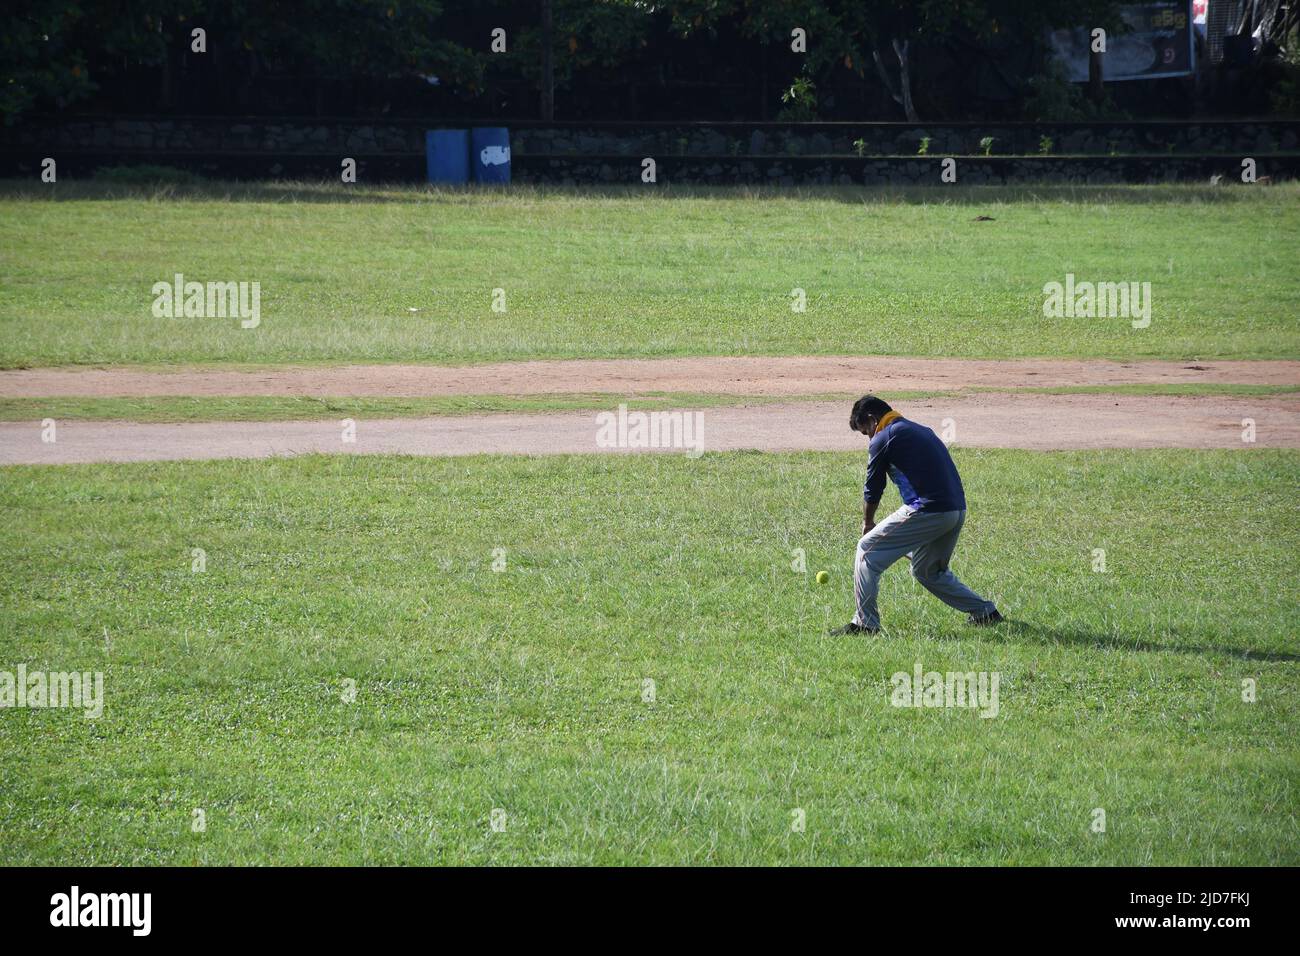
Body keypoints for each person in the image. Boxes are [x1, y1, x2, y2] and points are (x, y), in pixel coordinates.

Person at [831, 395, 1002, 635]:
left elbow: (873, 487)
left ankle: (865, 624)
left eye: (865, 431)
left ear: (872, 419)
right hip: (956, 510)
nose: (869, 437)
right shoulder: (922, 430)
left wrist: (868, 522)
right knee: (927, 570)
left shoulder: (884, 437)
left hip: (927, 509)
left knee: (866, 550)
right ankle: (986, 613)